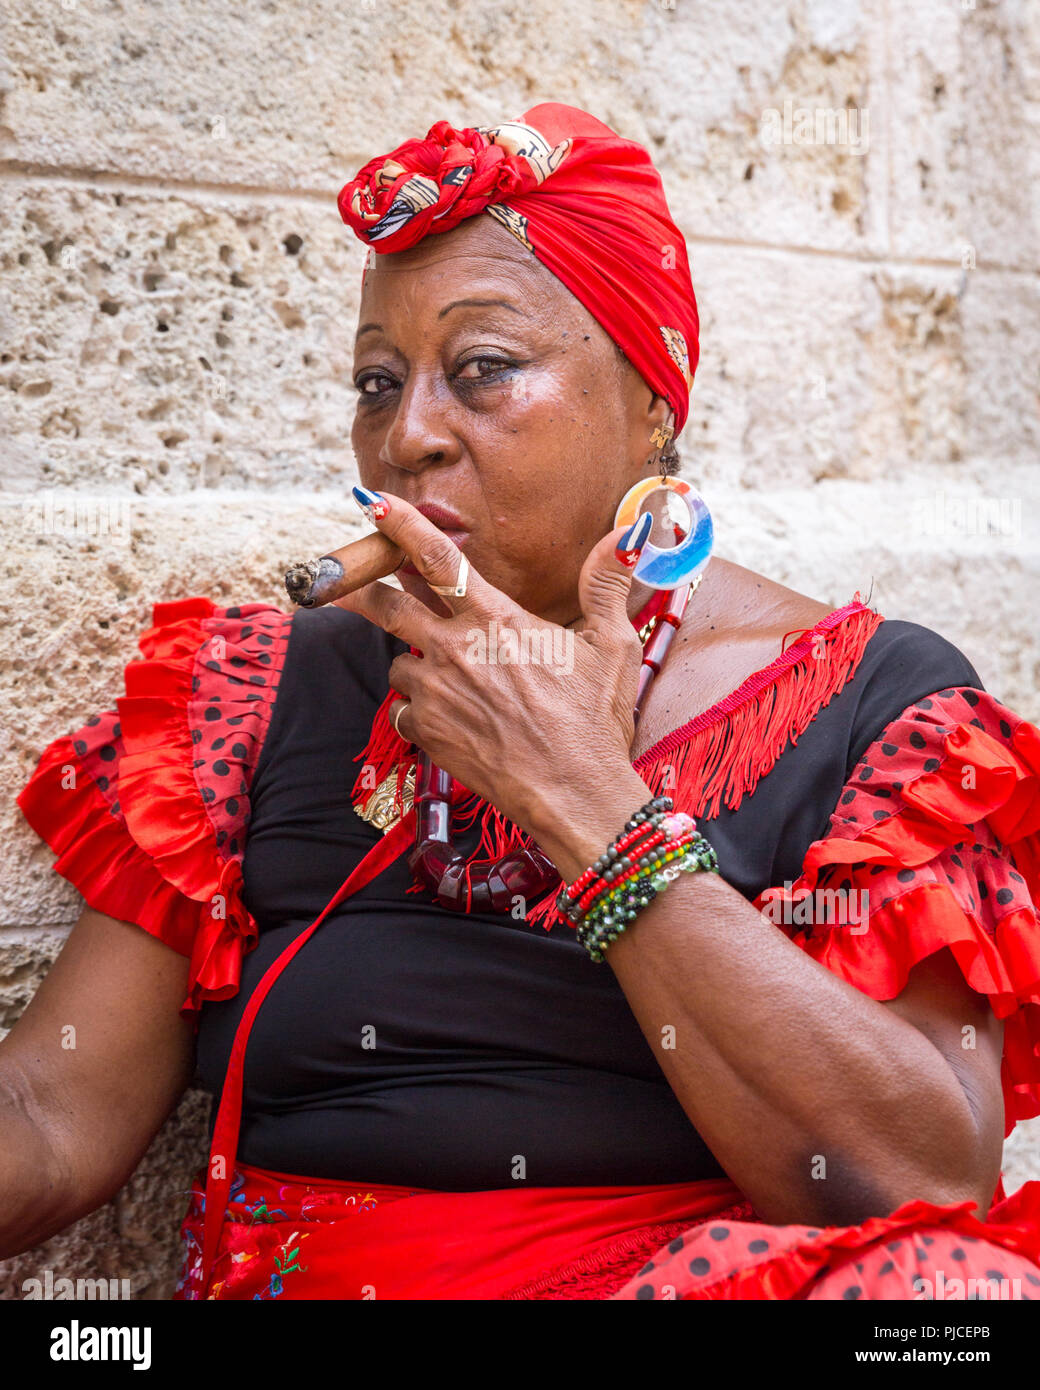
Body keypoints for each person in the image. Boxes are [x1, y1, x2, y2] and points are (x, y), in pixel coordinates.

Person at [8, 102, 1040, 1301]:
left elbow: (916, 1181)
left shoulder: (872, 702)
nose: (407, 437)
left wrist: (589, 809)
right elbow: (48, 1114)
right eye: (375, 382)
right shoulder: (266, 690)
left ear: (652, 399)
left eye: (481, 369)